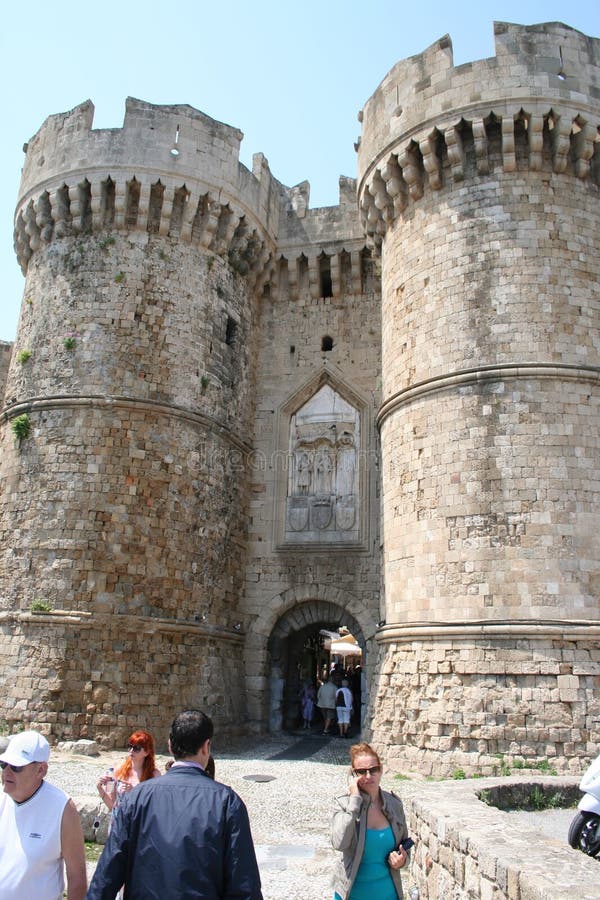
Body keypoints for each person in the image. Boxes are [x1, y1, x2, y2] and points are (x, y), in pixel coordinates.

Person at [87, 709, 263, 899]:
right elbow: (244, 885)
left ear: (170, 746)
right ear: (206, 747)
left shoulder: (136, 798)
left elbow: (107, 875)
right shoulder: (226, 802)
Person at [0, 729, 87, 900]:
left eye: (16, 767)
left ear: (41, 770)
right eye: (4, 764)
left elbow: (77, 877)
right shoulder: (2, 800)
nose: (7, 772)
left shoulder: (62, 808)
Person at [331, 742, 410, 900]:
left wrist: (402, 861)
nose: (368, 776)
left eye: (373, 770)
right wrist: (354, 800)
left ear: (380, 770)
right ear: (353, 774)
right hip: (351, 895)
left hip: (388, 894)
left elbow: (405, 847)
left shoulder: (394, 804)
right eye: (361, 771)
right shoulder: (343, 804)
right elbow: (339, 843)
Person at [96, 729, 161, 817]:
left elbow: (156, 806)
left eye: (136, 748)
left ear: (146, 752)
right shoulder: (117, 771)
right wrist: (99, 788)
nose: (131, 750)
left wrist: (135, 792)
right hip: (120, 822)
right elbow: (112, 807)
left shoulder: (155, 775)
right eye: (130, 746)